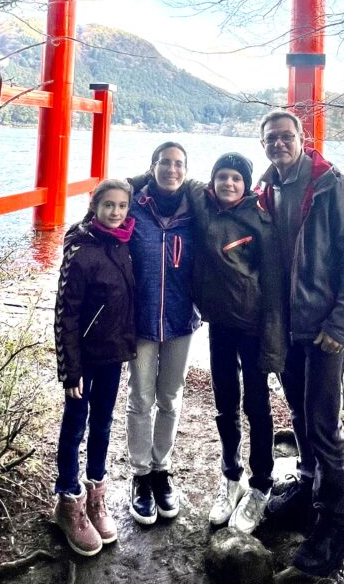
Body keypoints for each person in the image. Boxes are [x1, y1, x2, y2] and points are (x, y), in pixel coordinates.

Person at [258, 109, 344, 578]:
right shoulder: (266, 190)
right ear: (263, 144)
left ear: (303, 139)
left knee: (324, 426)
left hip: (324, 329)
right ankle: (307, 489)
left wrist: (340, 325)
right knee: (300, 416)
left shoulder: (332, 185)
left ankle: (333, 527)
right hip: (286, 328)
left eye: (287, 136)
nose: (279, 144)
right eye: (272, 138)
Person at [191, 152, 286, 534]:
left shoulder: (260, 218)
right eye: (222, 177)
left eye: (235, 178)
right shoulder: (203, 206)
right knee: (224, 403)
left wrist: (274, 335)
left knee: (257, 405)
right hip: (219, 325)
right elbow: (163, 173)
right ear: (212, 180)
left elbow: (273, 280)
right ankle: (231, 477)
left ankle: (261, 485)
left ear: (246, 183)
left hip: (252, 326)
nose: (228, 183)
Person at [53, 178, 136, 556]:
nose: (115, 211)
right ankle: (68, 499)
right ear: (94, 206)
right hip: (84, 361)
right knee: (75, 426)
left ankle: (95, 494)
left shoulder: (122, 243)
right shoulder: (81, 247)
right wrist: (70, 370)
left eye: (122, 205)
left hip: (112, 355)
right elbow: (65, 313)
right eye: (108, 205)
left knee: (102, 423)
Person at [126, 141, 200, 526]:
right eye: (165, 162)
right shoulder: (134, 206)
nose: (172, 169)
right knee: (140, 398)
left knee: (170, 398)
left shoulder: (196, 210)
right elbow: (98, 224)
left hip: (181, 320)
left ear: (186, 170)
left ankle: (161, 469)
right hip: (140, 321)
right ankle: (139, 475)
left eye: (179, 163)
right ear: (152, 166)